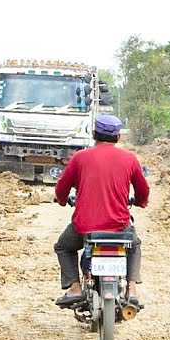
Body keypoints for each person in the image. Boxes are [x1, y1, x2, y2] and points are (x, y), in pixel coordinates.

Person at [52, 114, 150, 308]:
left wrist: (62, 200)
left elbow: (62, 187)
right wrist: (140, 202)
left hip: (84, 228)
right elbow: (143, 190)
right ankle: (132, 287)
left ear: (94, 134)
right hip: (119, 228)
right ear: (118, 137)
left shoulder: (80, 157)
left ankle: (75, 288)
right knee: (134, 245)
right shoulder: (129, 159)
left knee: (63, 247)